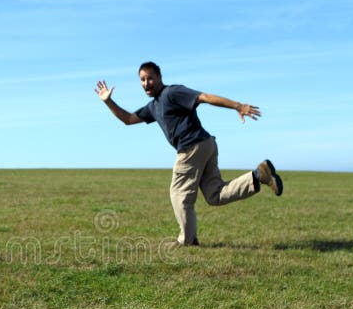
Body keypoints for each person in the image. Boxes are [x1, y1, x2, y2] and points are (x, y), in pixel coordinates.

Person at [94, 61, 283, 247]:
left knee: (178, 195)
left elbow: (205, 97)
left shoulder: (172, 92)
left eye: (150, 78)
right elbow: (127, 119)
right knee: (215, 195)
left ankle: (188, 240)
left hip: (191, 147)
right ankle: (259, 175)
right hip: (206, 145)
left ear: (159, 77)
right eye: (142, 80)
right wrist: (108, 101)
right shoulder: (153, 106)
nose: (146, 83)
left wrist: (238, 106)